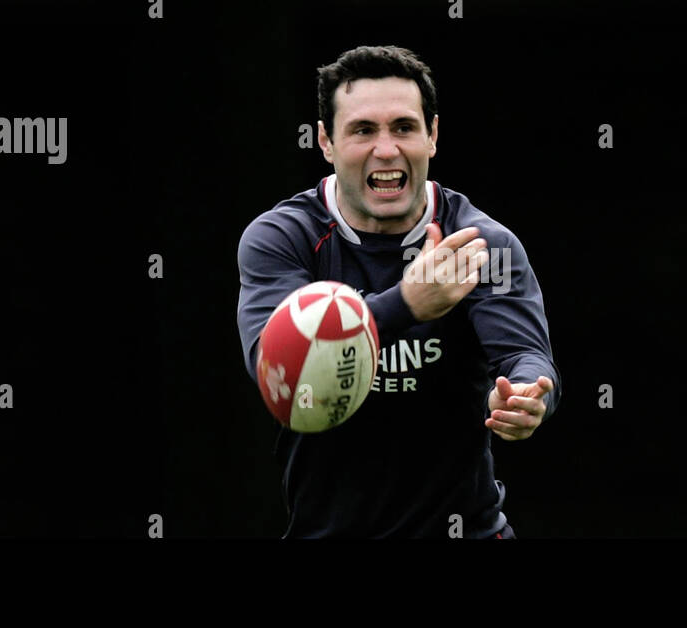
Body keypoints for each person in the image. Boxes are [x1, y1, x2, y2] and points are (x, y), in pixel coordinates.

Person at [236, 45, 562, 538]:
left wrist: (527, 394)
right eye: (363, 130)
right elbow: (276, 365)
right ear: (325, 141)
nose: (386, 150)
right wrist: (406, 304)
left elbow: (524, 354)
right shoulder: (284, 238)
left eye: (404, 128)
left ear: (432, 135)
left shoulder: (479, 243)